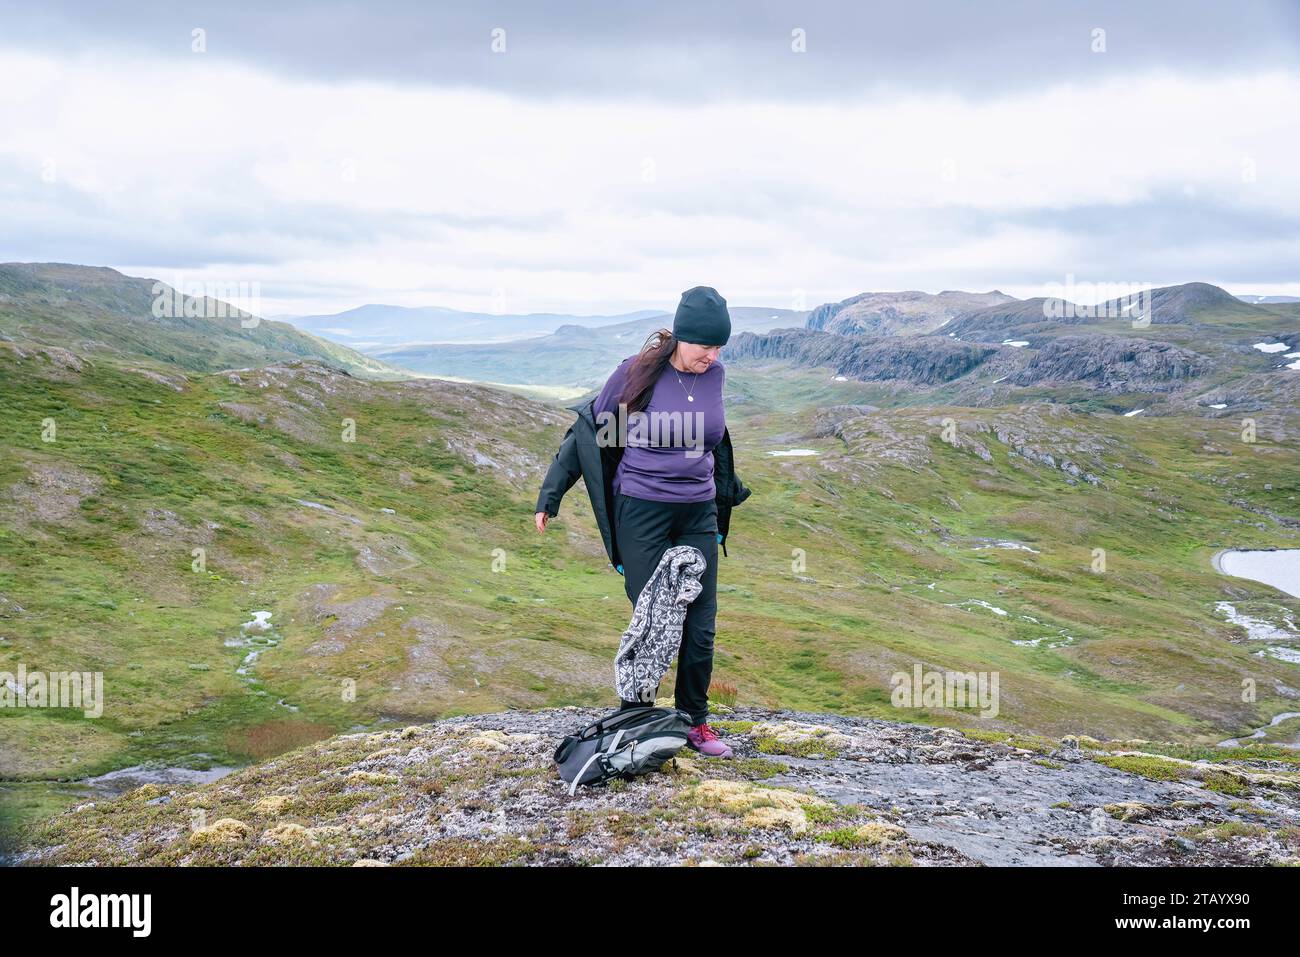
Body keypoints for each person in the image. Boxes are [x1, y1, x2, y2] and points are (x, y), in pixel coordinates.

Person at [534, 286, 740, 757]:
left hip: (698, 509)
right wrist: (552, 493)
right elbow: (589, 433)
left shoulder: (716, 375)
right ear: (681, 337)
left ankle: (695, 721)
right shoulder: (638, 373)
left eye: (718, 348)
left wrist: (726, 488)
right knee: (653, 618)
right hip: (642, 509)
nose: (711, 356)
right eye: (704, 346)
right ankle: (637, 715)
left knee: (700, 622)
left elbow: (715, 439)